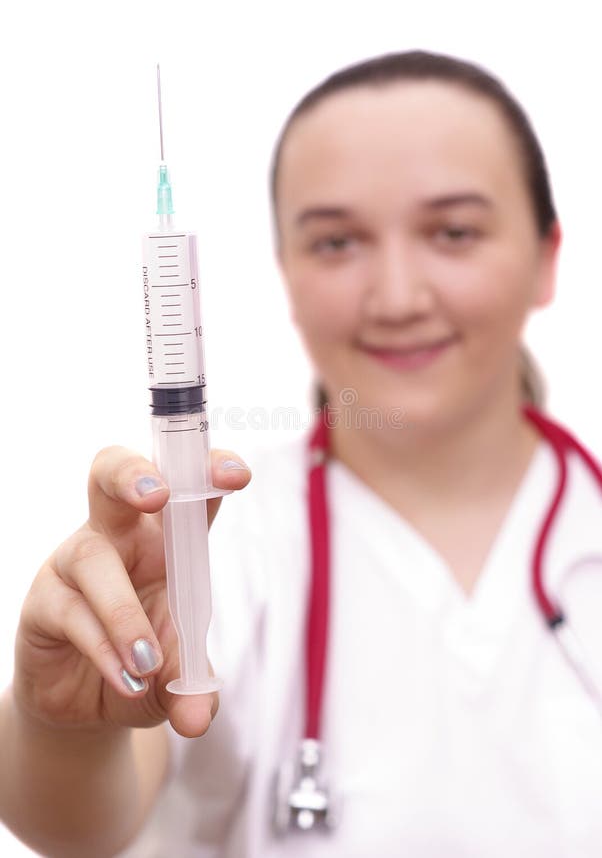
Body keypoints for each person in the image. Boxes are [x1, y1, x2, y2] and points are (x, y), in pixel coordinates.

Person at [1, 49, 602, 858]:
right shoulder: (224, 549)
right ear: (285, 273)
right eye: (336, 243)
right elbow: (80, 828)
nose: (396, 296)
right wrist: (56, 727)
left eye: (454, 232)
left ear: (547, 257)